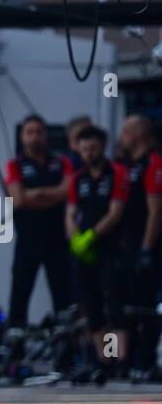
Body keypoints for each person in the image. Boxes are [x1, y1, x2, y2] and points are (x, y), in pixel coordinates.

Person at [66, 124, 130, 379]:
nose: (89, 153)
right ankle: (103, 361)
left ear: (102, 147)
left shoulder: (117, 173)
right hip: (85, 252)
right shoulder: (77, 178)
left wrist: (92, 236)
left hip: (111, 248)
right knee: (92, 308)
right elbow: (70, 213)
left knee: (114, 305)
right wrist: (76, 240)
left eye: (93, 148)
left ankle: (120, 360)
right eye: (84, 149)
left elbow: (116, 212)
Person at [4, 114, 74, 328]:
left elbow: (68, 192)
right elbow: (19, 199)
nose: (35, 137)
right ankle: (15, 346)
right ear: (23, 137)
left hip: (57, 239)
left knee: (64, 296)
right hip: (28, 239)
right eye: (30, 132)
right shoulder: (15, 164)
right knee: (20, 295)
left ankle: (67, 347)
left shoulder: (62, 162)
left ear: (46, 135)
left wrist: (36, 194)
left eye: (39, 132)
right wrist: (52, 195)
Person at [115, 114, 162, 381]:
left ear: (140, 134)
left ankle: (146, 361)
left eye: (127, 131)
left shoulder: (153, 164)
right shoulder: (129, 165)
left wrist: (146, 248)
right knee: (128, 306)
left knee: (145, 307)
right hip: (127, 247)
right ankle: (129, 360)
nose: (122, 137)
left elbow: (156, 210)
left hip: (147, 248)